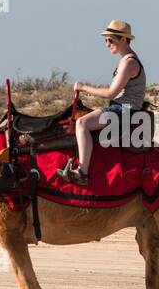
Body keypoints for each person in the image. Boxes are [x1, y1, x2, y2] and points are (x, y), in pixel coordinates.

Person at [60, 21, 146, 186]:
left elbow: (110, 93)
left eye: (111, 40)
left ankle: (82, 172)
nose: (107, 44)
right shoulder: (125, 61)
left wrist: (83, 87)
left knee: (82, 123)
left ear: (123, 40)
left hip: (124, 110)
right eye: (106, 41)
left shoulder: (129, 63)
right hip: (120, 107)